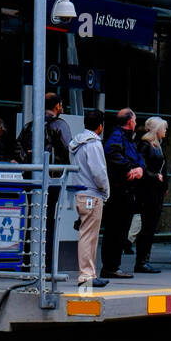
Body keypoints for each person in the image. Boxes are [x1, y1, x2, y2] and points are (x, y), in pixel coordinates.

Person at [16, 92, 71, 273]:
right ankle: (45, 263)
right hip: (52, 178)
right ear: (57, 106)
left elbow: (18, 148)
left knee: (33, 218)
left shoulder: (30, 126)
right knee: (48, 220)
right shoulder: (59, 125)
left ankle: (28, 261)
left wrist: (28, 163)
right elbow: (67, 149)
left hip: (32, 178)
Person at [100, 108, 144, 279]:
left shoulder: (126, 138)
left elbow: (139, 159)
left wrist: (139, 168)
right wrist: (131, 168)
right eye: (134, 120)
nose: (135, 122)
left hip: (125, 190)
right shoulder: (118, 137)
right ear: (129, 122)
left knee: (120, 229)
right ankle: (110, 266)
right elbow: (112, 153)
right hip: (120, 190)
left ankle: (113, 265)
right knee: (115, 229)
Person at [68, 111, 109, 289]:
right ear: (100, 126)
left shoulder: (77, 144)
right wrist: (106, 191)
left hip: (80, 193)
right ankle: (87, 275)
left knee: (87, 235)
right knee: (89, 237)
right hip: (92, 194)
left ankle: (89, 273)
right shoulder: (94, 144)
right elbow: (99, 172)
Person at [133, 116, 167, 273]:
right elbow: (141, 167)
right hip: (148, 191)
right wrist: (155, 177)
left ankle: (144, 259)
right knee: (148, 226)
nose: (166, 131)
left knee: (151, 225)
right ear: (157, 130)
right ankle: (142, 261)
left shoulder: (156, 145)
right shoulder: (146, 145)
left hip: (155, 190)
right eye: (164, 128)